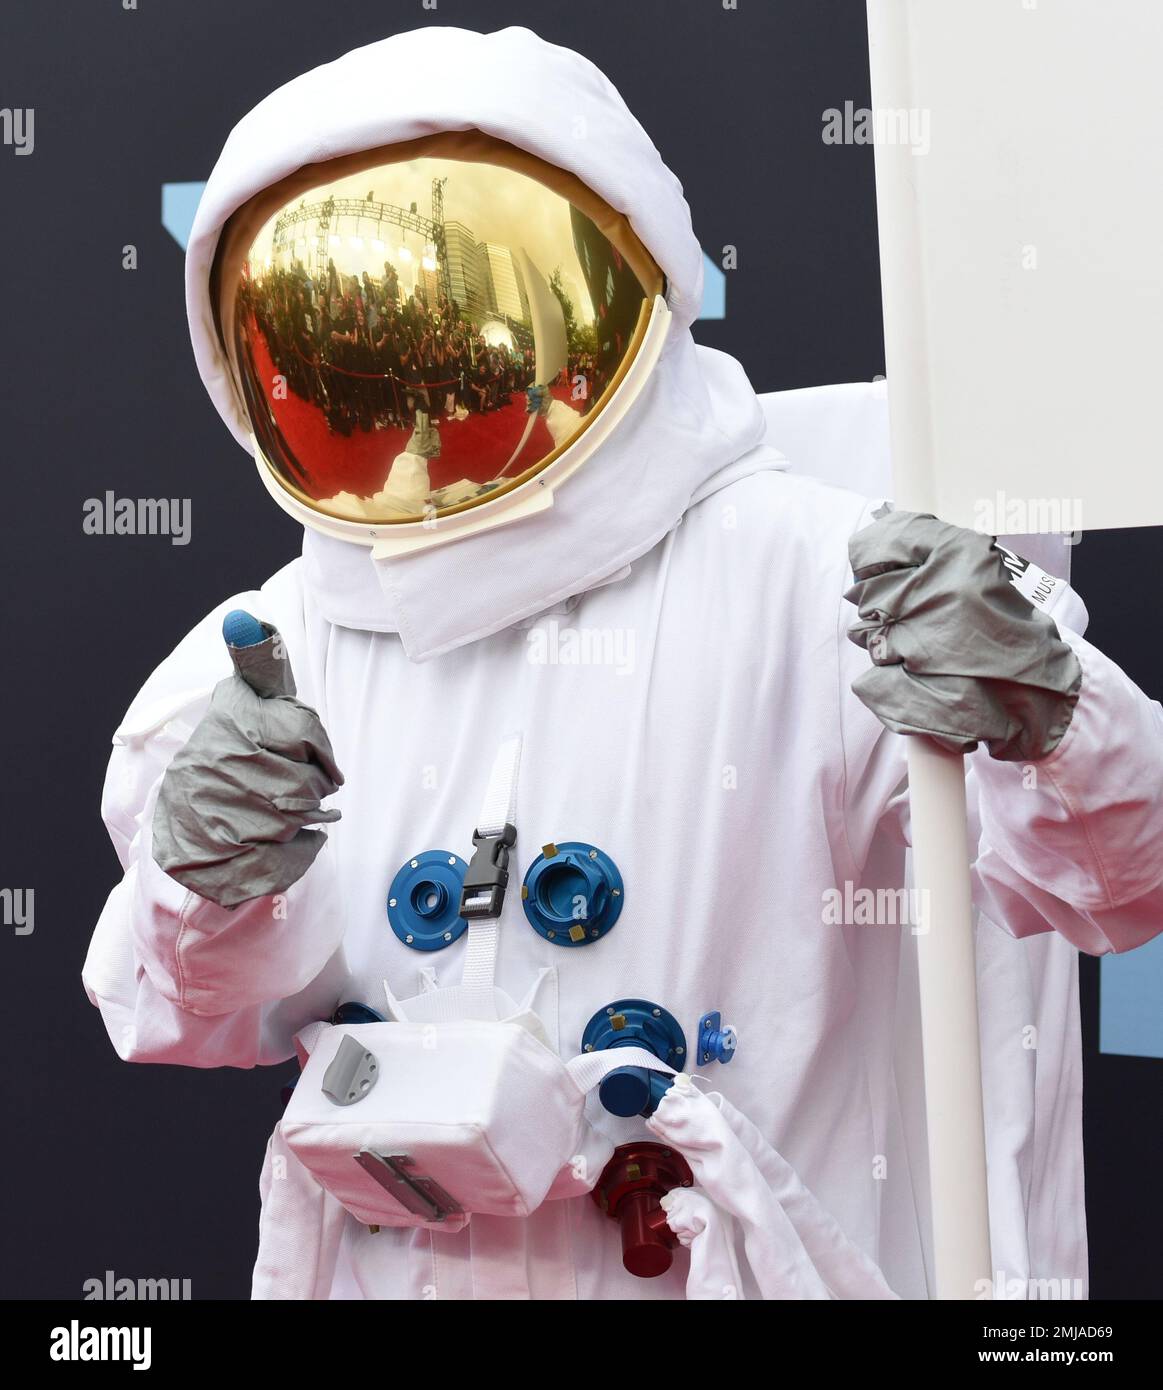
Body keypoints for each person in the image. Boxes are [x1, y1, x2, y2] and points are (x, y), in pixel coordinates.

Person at [83, 26, 1163, 1301]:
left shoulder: (837, 580)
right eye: (356, 362)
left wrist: (1046, 710)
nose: (428, 418)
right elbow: (187, 1018)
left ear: (625, 266)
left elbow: (1114, 885)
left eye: (476, 324)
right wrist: (200, 886)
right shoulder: (273, 658)